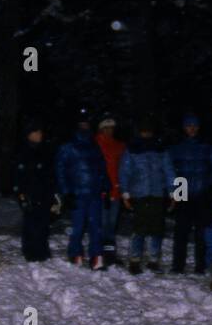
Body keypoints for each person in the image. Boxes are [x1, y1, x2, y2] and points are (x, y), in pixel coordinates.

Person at [169, 113, 212, 274]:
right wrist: (175, 188)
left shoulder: (207, 147)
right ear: (184, 128)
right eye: (189, 126)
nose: (192, 129)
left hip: (202, 192)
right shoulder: (177, 147)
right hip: (182, 189)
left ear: (198, 128)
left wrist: (208, 183)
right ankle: (177, 266)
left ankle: (201, 265)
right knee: (181, 231)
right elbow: (169, 168)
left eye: (194, 126)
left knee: (202, 232)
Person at [119, 119, 175, 274]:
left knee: (157, 229)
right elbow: (125, 172)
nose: (146, 133)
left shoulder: (160, 148)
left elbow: (169, 171)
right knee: (140, 229)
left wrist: (175, 193)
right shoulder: (132, 149)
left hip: (158, 193)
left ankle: (153, 260)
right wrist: (125, 193)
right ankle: (135, 260)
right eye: (144, 130)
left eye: (149, 130)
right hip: (139, 194)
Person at [55, 110, 109, 268]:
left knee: (95, 226)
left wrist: (105, 187)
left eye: (87, 124)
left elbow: (101, 168)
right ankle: (75, 254)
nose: (84, 126)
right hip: (78, 193)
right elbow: (60, 170)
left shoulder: (94, 146)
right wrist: (66, 192)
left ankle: (96, 256)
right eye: (81, 124)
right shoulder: (68, 147)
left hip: (94, 193)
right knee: (78, 226)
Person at [13, 121, 58, 262]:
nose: (40, 135)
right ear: (29, 135)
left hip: (44, 192)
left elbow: (50, 173)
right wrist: (20, 194)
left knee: (43, 223)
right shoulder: (23, 152)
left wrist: (54, 192)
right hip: (30, 193)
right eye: (36, 132)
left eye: (40, 132)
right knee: (31, 223)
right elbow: (18, 175)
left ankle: (42, 250)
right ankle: (31, 251)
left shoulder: (45, 150)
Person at [94, 116, 126, 265]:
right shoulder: (95, 144)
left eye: (111, 128)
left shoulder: (119, 146)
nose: (109, 131)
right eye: (106, 128)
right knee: (102, 222)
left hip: (116, 190)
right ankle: (98, 253)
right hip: (101, 191)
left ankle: (109, 254)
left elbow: (124, 168)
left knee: (111, 225)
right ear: (101, 129)